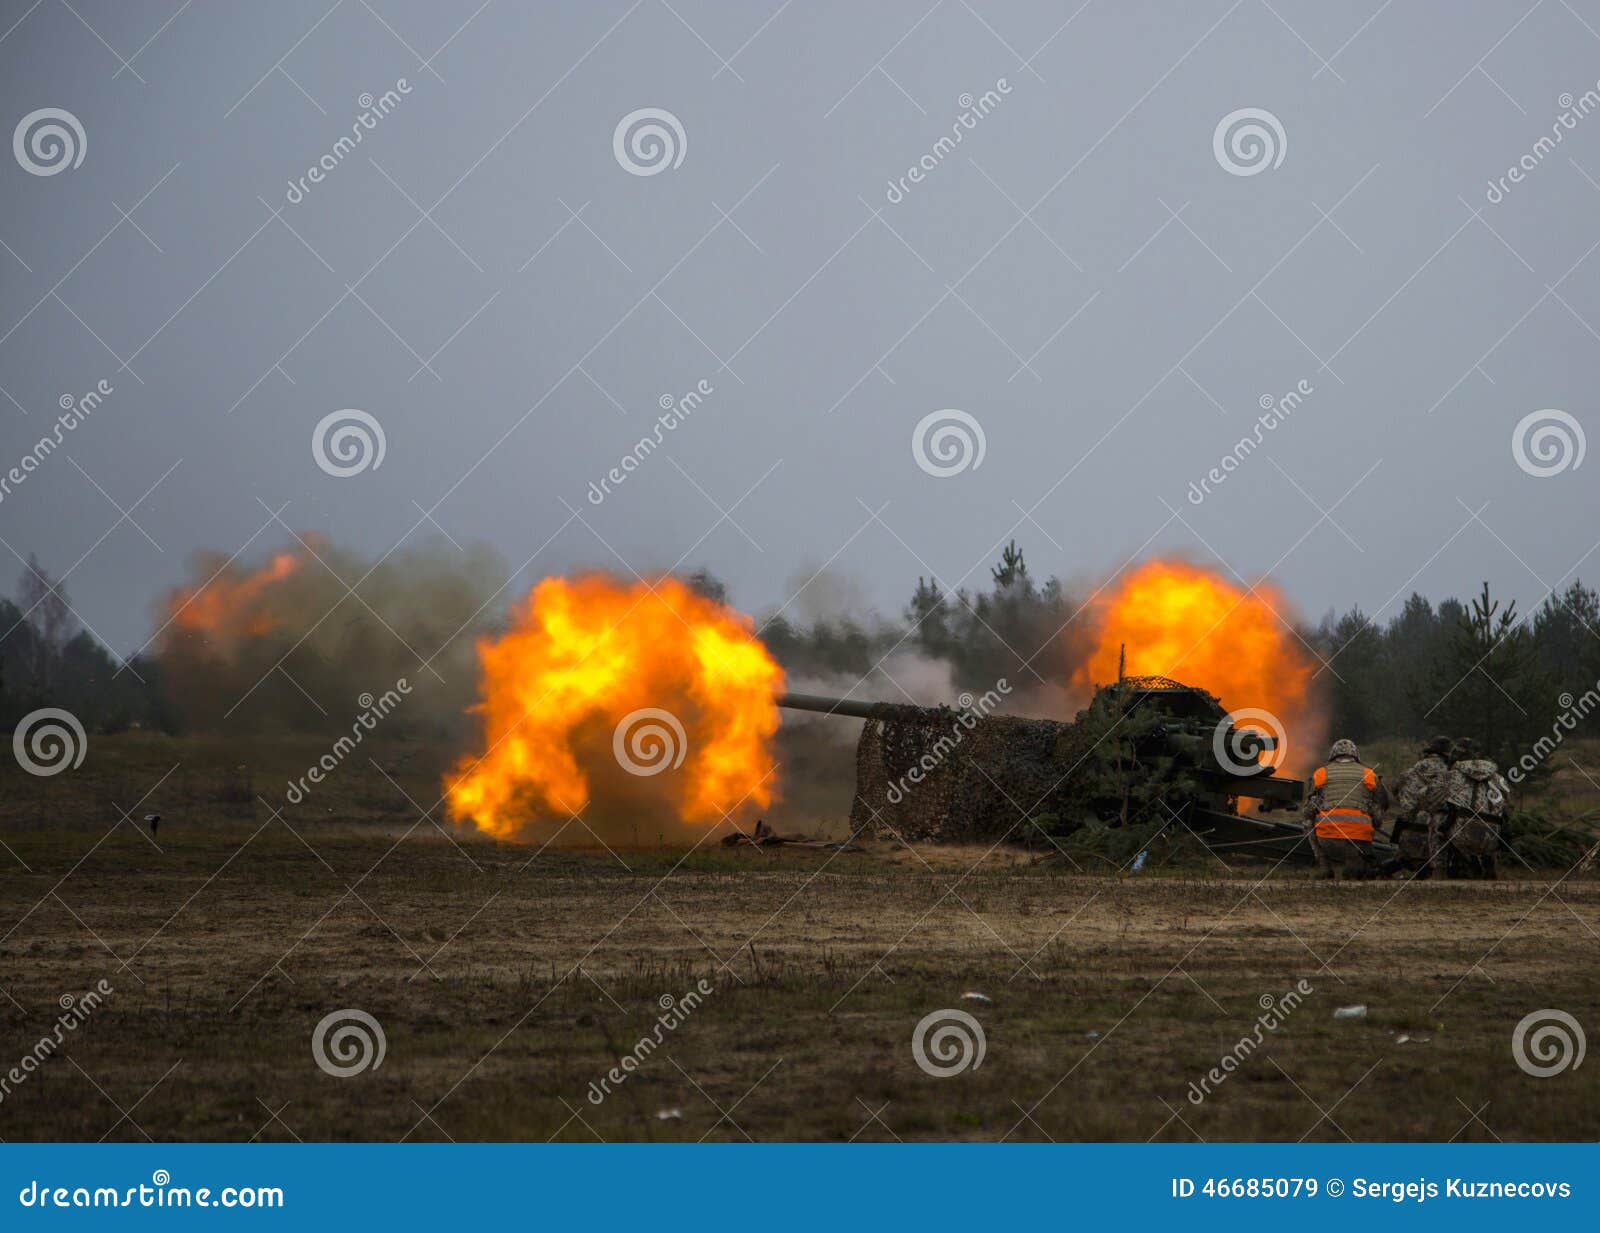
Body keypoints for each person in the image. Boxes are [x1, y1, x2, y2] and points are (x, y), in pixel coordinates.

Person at [1303, 738, 1386, 880]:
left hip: (1328, 840)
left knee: (1307, 823)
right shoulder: (1369, 774)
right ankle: (1358, 864)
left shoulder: (1321, 773)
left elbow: (1308, 810)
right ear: (1355, 755)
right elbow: (1382, 804)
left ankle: (1325, 868)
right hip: (1360, 840)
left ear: (1333, 755)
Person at [1443, 738, 1511, 879]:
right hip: (1493, 836)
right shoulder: (1498, 777)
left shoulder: (1452, 775)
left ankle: (1460, 863)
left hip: (1462, 835)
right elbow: (1508, 802)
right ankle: (1489, 859)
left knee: (1441, 822)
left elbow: (1435, 800)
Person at [1389, 735, 1452, 879]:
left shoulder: (1409, 772)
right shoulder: (1451, 774)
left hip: (1407, 832)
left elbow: (1394, 790)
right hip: (1438, 834)